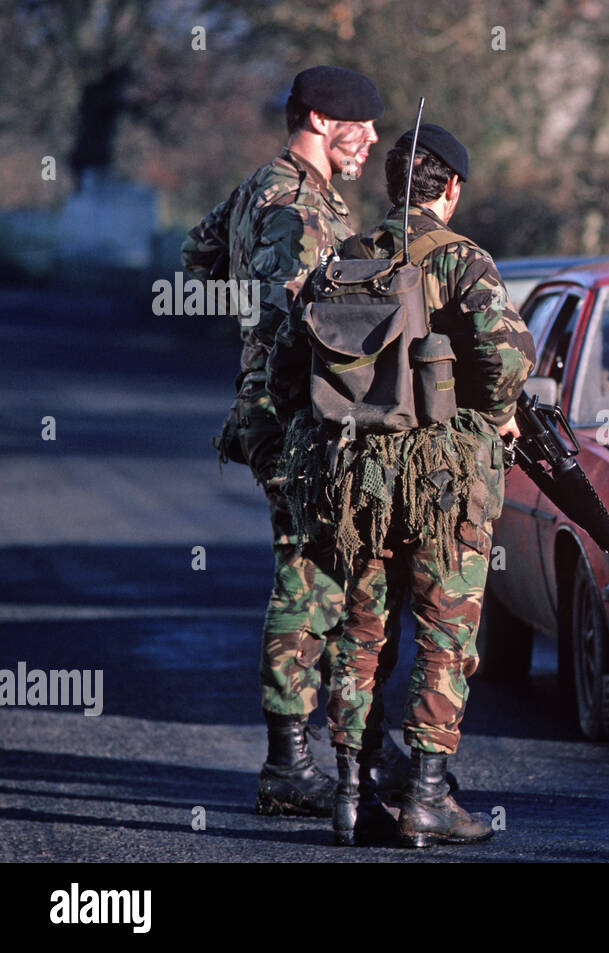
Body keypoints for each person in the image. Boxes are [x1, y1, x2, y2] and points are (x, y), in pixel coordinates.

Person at [268, 124, 535, 846]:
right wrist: (496, 419)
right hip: (444, 480)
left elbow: (289, 367)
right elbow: (507, 359)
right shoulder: (464, 261)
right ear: (451, 189)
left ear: (390, 189)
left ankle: (351, 792)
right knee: (446, 631)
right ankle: (425, 796)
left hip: (356, 479)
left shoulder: (341, 259)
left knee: (361, 628)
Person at [181, 65, 392, 817]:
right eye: (355, 124)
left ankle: (347, 745)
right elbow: (317, 327)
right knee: (310, 574)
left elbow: (196, 261)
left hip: (282, 408)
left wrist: (248, 328)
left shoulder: (260, 188)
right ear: (314, 118)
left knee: (327, 567)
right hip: (300, 417)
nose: (369, 139)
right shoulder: (297, 208)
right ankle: (289, 763)